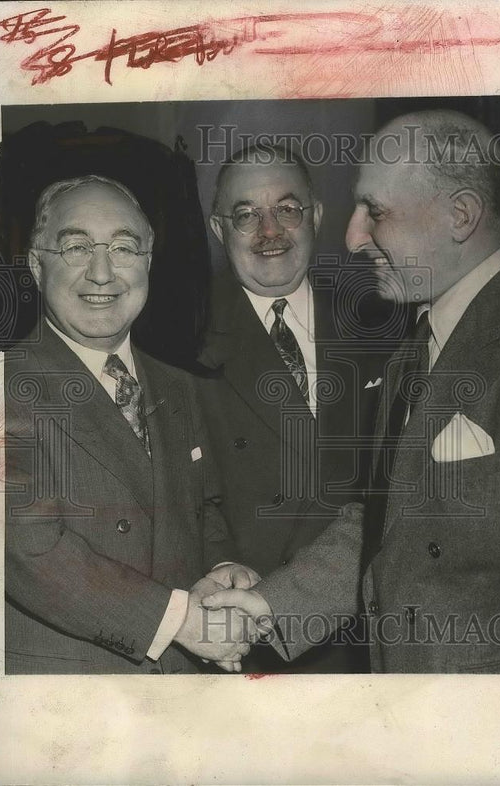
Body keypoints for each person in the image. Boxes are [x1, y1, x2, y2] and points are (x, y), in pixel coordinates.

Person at [203, 110, 500, 674]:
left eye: (376, 212)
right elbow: (385, 525)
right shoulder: (415, 346)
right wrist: (272, 604)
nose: (352, 236)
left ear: (460, 215)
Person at [4, 174, 256, 674]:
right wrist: (182, 620)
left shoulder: (180, 386)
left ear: (148, 262)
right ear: (36, 266)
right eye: (76, 247)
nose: (102, 273)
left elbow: (205, 510)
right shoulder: (0, 386)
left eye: (123, 247)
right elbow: (30, 549)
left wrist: (223, 575)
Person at [196, 145, 377, 672]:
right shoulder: (176, 341)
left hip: (367, 639)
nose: (269, 231)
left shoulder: (382, 317)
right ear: (217, 228)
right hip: (245, 633)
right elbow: (182, 496)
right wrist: (223, 570)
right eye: (246, 214)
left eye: (287, 209)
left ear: (317, 216)